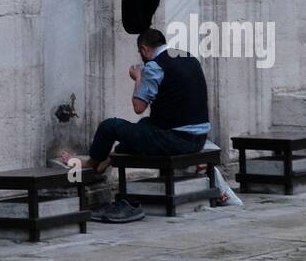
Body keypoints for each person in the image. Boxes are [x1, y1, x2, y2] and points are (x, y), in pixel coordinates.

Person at [58, 27, 210, 175]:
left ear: (144, 50)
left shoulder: (155, 65)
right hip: (199, 139)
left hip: (175, 141)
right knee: (144, 125)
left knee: (109, 126)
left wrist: (138, 78)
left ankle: (91, 164)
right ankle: (109, 159)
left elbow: (138, 107)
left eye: (140, 53)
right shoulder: (189, 57)